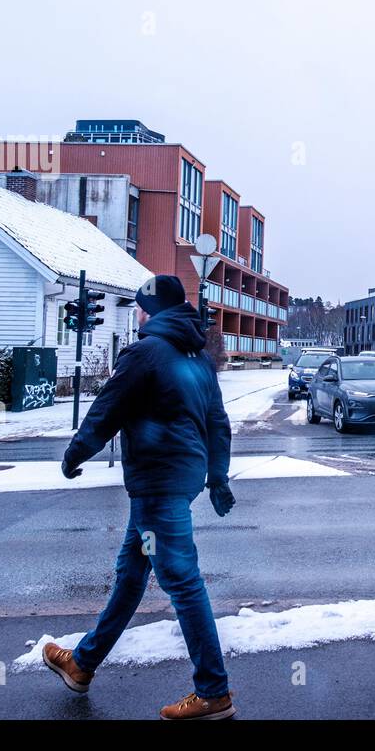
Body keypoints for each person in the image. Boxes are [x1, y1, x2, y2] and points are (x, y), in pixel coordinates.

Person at [42, 275, 236, 720]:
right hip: (180, 477)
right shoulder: (197, 355)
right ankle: (82, 663)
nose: (140, 314)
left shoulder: (146, 352)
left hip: (158, 480)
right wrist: (217, 476)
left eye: (143, 307)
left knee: (183, 582)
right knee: (131, 575)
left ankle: (214, 691)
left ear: (154, 309)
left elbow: (109, 407)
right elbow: (218, 422)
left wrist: (76, 453)